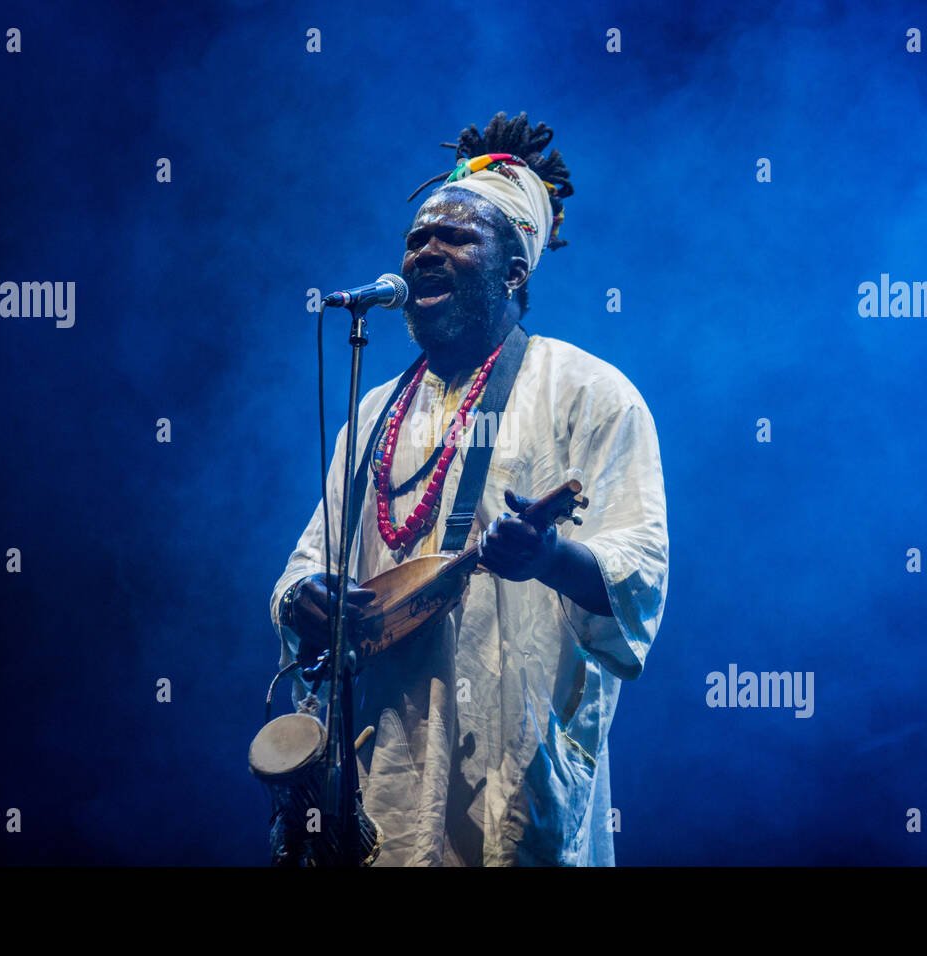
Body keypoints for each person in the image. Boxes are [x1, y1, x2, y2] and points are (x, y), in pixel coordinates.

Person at [270, 111, 668, 865]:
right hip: (377, 768)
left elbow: (639, 570)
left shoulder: (589, 393)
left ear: (514, 269)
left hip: (510, 776)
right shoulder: (373, 411)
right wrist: (305, 599)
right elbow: (307, 560)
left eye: (454, 237)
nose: (424, 249)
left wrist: (549, 559)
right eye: (416, 237)